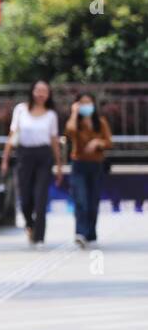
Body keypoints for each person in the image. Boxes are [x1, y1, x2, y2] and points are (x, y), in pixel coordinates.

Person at [1, 79, 64, 246]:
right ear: (32, 91)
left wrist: (59, 165)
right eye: (38, 90)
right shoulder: (21, 110)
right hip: (24, 155)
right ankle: (30, 224)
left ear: (49, 94)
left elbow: (54, 140)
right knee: (25, 197)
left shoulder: (51, 115)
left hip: (44, 156)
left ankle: (39, 237)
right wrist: (5, 158)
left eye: (45, 91)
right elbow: (13, 135)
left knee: (41, 196)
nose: (41, 94)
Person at [65, 92, 112, 248]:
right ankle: (80, 233)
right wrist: (74, 113)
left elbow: (109, 142)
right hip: (79, 164)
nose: (86, 106)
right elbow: (69, 131)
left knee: (93, 201)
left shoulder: (101, 122)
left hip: (96, 165)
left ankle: (90, 233)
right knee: (81, 199)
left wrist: (97, 142)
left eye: (88, 102)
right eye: (82, 103)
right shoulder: (75, 123)